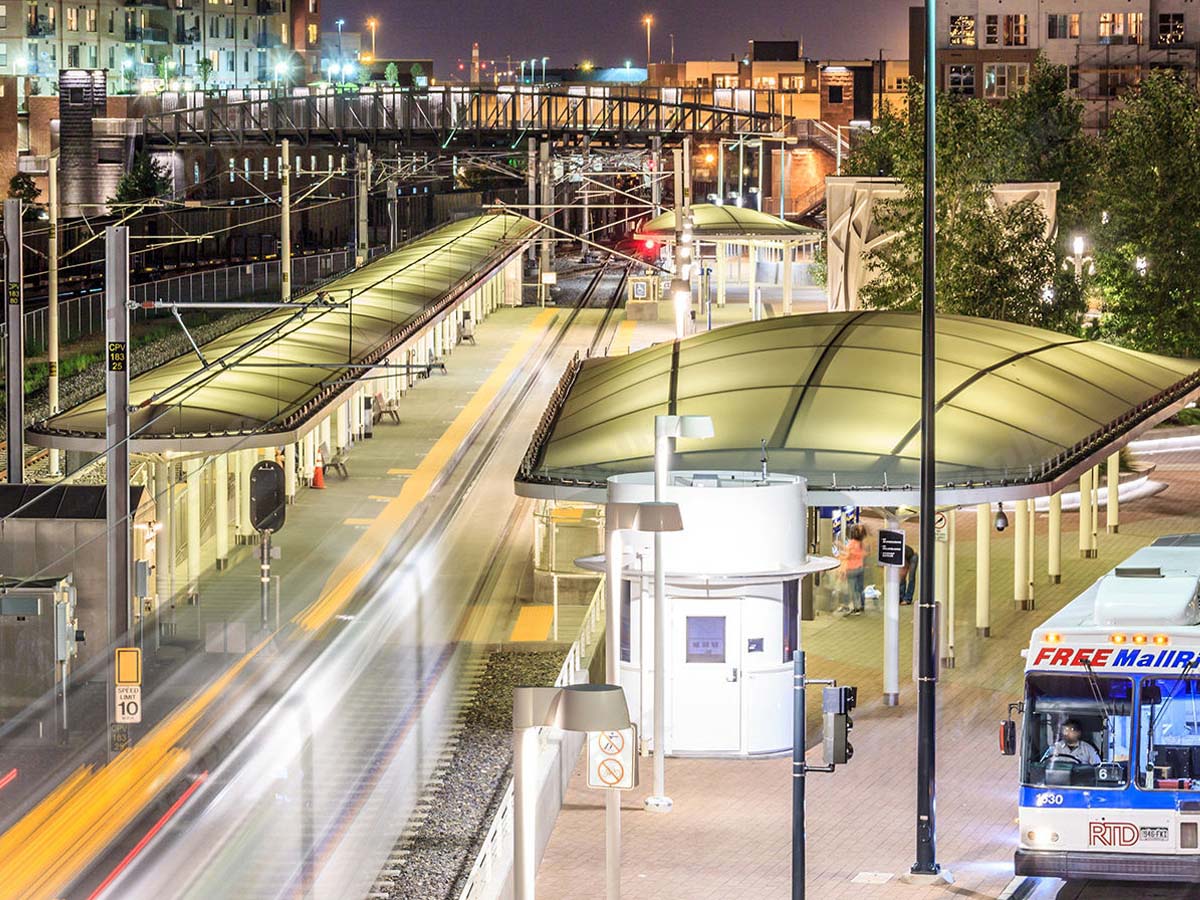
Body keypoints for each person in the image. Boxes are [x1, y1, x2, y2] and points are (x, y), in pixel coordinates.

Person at [839, 524, 867, 615]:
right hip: (860, 568)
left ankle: (856, 608)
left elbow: (848, 555)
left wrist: (840, 552)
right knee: (860, 588)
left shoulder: (851, 543)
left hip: (851, 569)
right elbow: (861, 554)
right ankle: (862, 605)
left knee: (853, 590)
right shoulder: (862, 544)